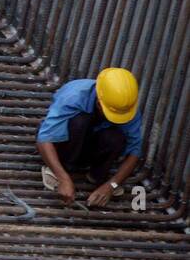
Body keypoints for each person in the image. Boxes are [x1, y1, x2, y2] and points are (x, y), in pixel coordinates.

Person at [37, 68, 143, 208]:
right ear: (99, 103)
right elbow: (44, 138)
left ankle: (96, 176)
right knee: (80, 121)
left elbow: (134, 151)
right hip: (66, 144)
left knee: (116, 137)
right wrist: (63, 179)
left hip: (91, 146)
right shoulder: (74, 96)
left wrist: (111, 185)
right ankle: (61, 168)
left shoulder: (126, 108)